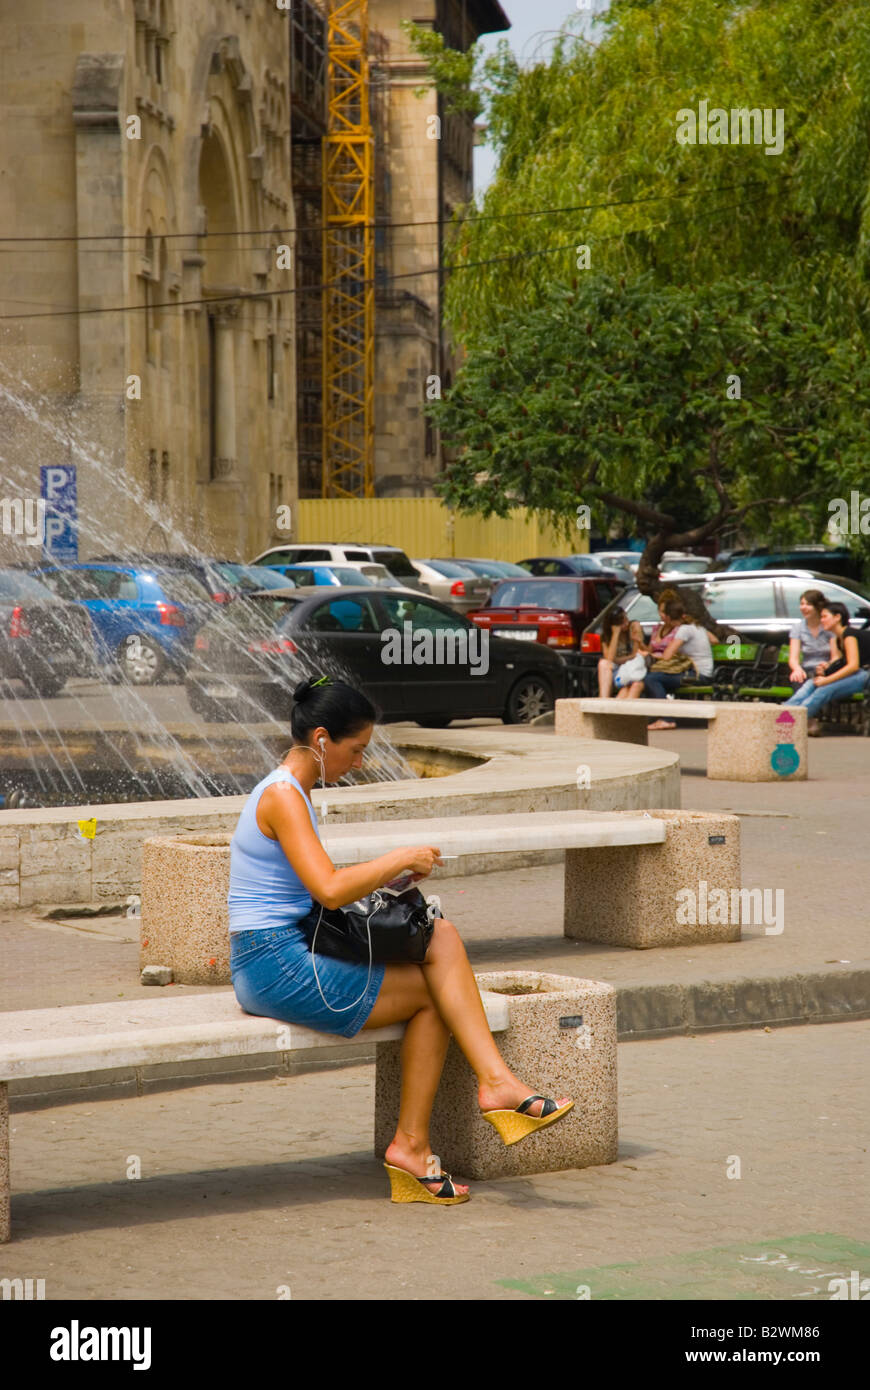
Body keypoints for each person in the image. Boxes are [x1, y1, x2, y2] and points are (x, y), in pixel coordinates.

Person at [227, 674, 573, 1205]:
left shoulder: (288, 790)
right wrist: (398, 857)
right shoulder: (283, 798)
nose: (360, 762)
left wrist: (390, 882)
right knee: (439, 978)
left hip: (278, 957)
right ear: (322, 740)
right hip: (275, 966)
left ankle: (440, 1127)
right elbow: (329, 888)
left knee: (439, 958)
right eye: (356, 749)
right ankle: (484, 1095)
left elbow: (316, 888)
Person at [784, 601, 870, 735]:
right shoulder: (838, 638)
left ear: (837, 617)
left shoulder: (849, 635)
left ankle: (790, 722)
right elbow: (844, 663)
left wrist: (827, 680)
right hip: (859, 673)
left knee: (824, 689)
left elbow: (853, 666)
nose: (821, 620)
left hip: (865, 674)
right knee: (811, 683)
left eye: (824, 616)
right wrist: (827, 668)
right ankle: (781, 714)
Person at [643, 598, 715, 729]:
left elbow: (666, 656)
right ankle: (661, 716)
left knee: (651, 679)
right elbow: (714, 640)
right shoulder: (697, 626)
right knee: (657, 677)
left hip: (697, 674)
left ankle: (667, 718)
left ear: (669, 618)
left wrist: (647, 655)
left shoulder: (684, 629)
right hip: (702, 672)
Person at [788, 589, 833, 687]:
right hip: (807, 671)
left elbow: (836, 657)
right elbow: (793, 659)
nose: (803, 607)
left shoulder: (828, 626)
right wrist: (797, 669)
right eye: (802, 604)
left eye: (808, 604)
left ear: (818, 606)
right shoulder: (798, 628)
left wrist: (827, 666)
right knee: (798, 679)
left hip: (827, 670)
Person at [598, 605, 645, 698]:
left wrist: (621, 659)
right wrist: (615, 634)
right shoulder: (606, 636)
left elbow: (636, 654)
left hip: (633, 668)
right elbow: (610, 659)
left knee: (630, 687)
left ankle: (615, 710)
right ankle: (603, 700)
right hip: (617, 671)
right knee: (603, 663)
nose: (626, 624)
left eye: (626, 619)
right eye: (622, 623)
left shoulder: (633, 627)